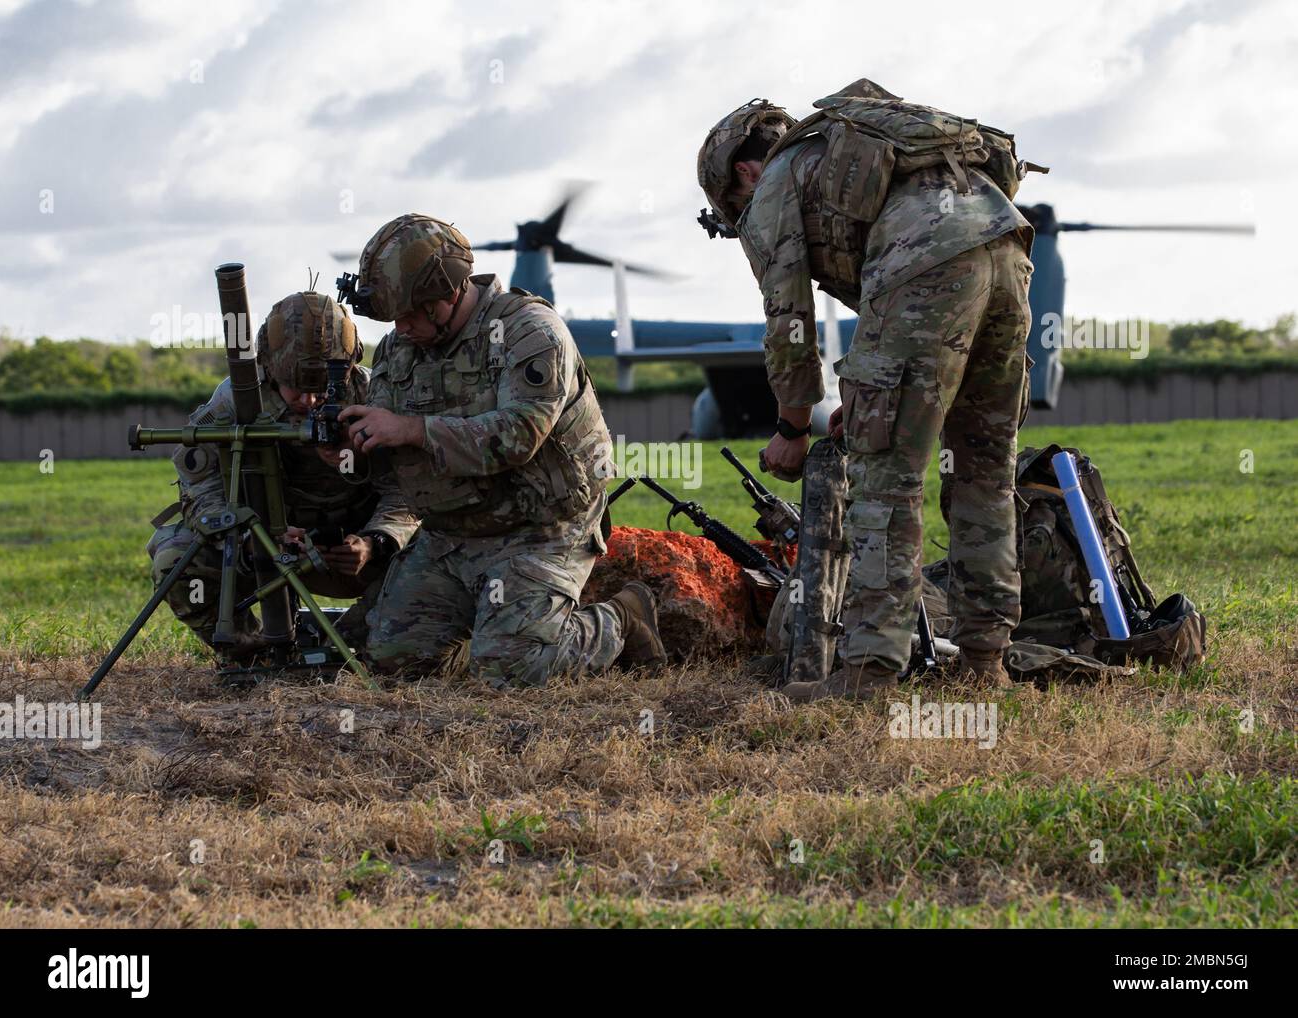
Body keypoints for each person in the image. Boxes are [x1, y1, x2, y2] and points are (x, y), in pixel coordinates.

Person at [696, 79, 1035, 699]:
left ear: (745, 171)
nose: (738, 219)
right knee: (985, 467)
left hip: (925, 266)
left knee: (885, 480)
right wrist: (873, 397)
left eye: (731, 206)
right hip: (1007, 249)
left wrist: (792, 429)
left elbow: (790, 324)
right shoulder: (853, 148)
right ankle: (987, 660)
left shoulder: (773, 184)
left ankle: (868, 672)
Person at [335, 213, 665, 688]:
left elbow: (519, 435)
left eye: (408, 315)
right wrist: (355, 451)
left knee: (511, 670)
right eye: (393, 319)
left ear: (448, 294)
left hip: (543, 527)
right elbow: (392, 453)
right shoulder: (397, 350)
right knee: (387, 660)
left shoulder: (529, 331)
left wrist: (410, 429)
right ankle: (496, 623)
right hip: (452, 532)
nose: (400, 329)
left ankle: (621, 619)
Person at [146, 290, 418, 656]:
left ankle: (352, 646)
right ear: (269, 368)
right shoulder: (238, 401)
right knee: (175, 558)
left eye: (321, 388)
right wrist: (245, 538)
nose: (307, 402)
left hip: (356, 553)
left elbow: (407, 492)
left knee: (435, 552)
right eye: (296, 388)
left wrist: (374, 542)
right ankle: (251, 653)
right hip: (263, 550)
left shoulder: (375, 397)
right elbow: (201, 486)